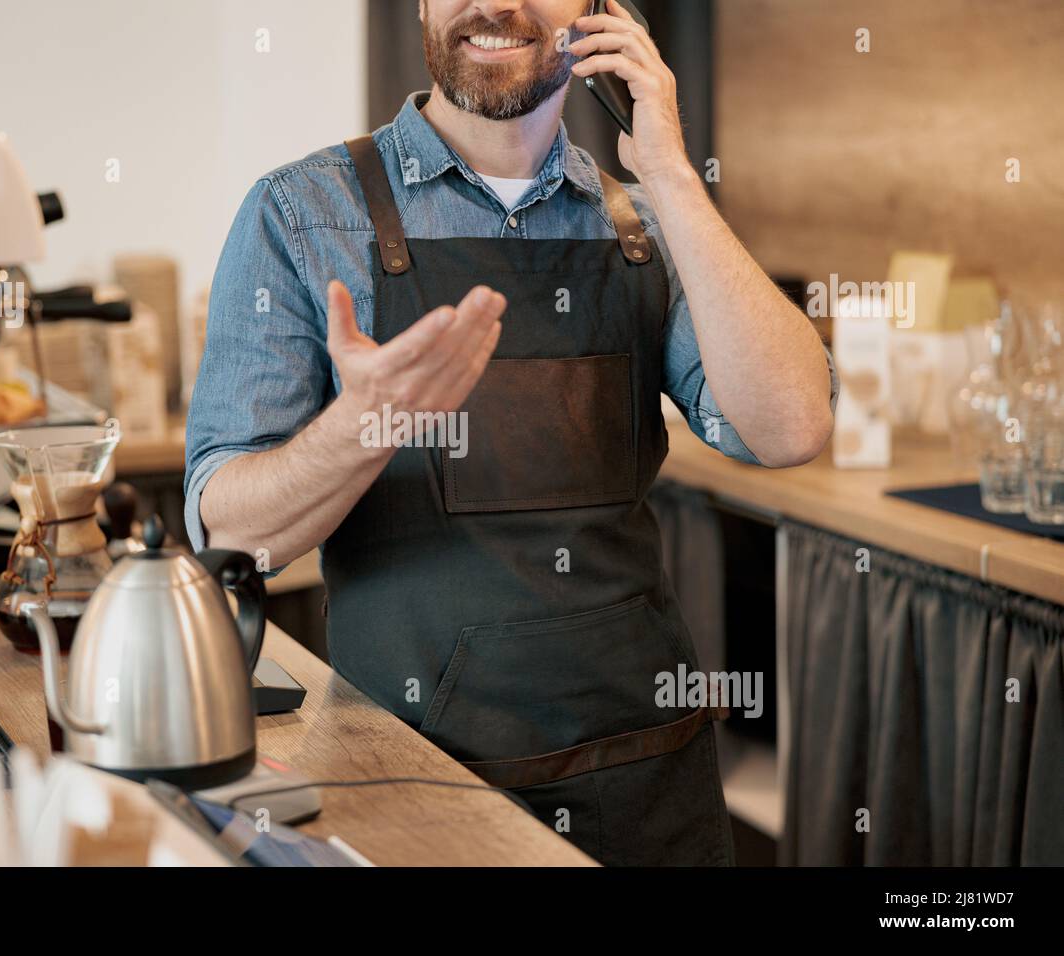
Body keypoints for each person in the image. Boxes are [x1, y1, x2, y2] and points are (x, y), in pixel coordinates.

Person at [185, 0, 838, 865]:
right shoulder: (299, 215)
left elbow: (792, 426)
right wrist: (368, 423)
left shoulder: (644, 224)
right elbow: (232, 532)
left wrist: (674, 177)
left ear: (600, 12)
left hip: (649, 783)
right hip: (416, 784)